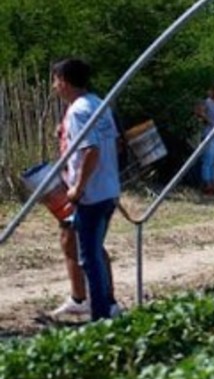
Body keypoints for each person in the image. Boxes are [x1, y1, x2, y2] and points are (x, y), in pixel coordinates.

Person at [51, 58, 120, 321]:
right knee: (90, 248)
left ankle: (102, 315)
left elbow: (92, 150)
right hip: (107, 188)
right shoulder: (98, 103)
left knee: (89, 256)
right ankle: (96, 303)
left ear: (65, 82)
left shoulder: (79, 110)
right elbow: (108, 141)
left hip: (91, 193)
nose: (54, 86)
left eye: (56, 80)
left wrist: (78, 187)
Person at [196, 84, 214, 194]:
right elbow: (199, 113)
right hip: (210, 134)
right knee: (208, 160)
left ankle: (212, 182)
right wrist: (209, 121)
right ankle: (206, 183)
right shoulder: (208, 102)